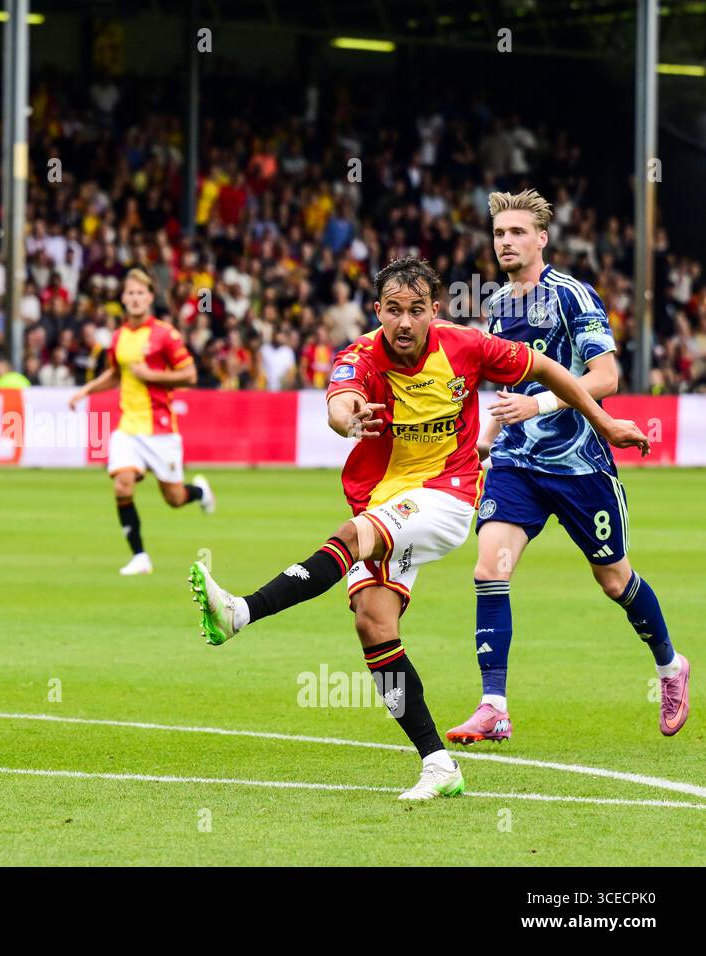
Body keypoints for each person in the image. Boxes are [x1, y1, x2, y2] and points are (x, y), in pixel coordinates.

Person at [188, 256, 649, 799]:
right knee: (373, 624)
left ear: (435, 310)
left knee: (354, 534)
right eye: (392, 311)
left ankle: (240, 611)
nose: (403, 323)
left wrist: (606, 420)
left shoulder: (468, 347)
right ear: (377, 310)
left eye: (415, 311)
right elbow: (340, 403)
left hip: (448, 497)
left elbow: (549, 370)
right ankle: (438, 765)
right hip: (384, 499)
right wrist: (348, 419)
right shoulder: (359, 355)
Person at [446, 189, 689, 744]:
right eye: (499, 233)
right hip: (516, 464)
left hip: (579, 463)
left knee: (613, 579)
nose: (505, 242)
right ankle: (494, 706)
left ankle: (671, 667)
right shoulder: (499, 305)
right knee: (489, 570)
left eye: (516, 233)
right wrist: (486, 438)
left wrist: (541, 404)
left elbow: (606, 378)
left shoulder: (572, 297)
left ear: (541, 239)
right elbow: (507, 385)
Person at [68, 268, 214, 576]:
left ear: (149, 297)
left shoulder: (165, 334)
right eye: (129, 293)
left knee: (174, 498)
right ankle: (139, 556)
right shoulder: (119, 337)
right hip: (128, 428)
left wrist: (153, 376)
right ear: (123, 298)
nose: (134, 299)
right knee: (122, 487)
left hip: (161, 429)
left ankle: (200, 492)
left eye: (140, 293)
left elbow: (190, 374)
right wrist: (84, 392)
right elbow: (116, 374)